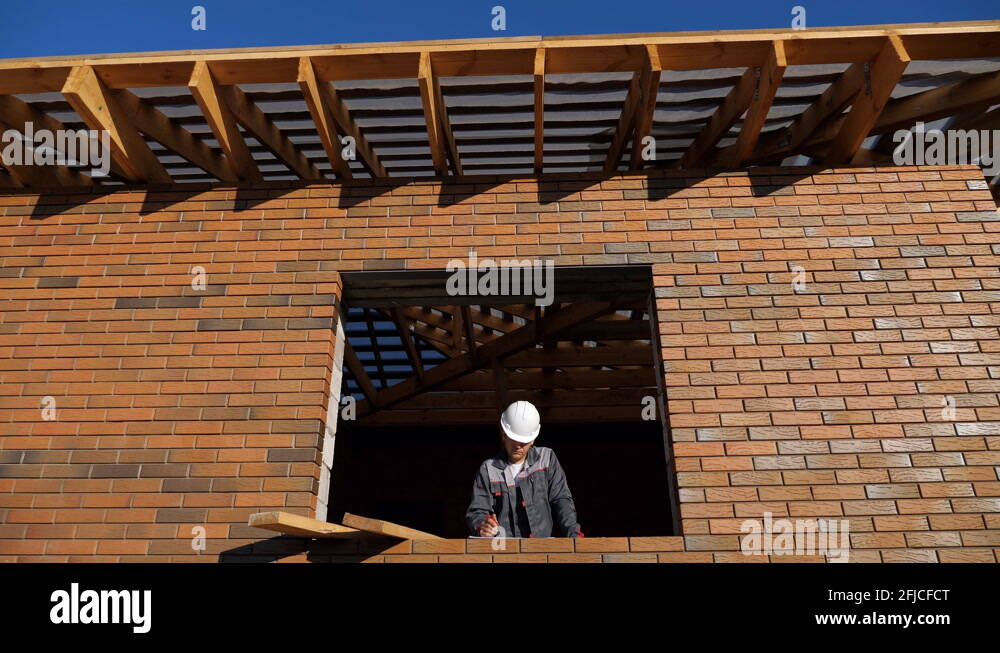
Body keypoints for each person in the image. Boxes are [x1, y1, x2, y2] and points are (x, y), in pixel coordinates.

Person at [465, 400, 583, 539]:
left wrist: (574, 534)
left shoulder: (546, 459)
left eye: (524, 442)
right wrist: (482, 526)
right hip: (504, 552)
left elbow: (561, 499)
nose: (518, 446)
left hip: (541, 550)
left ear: (533, 439)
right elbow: (478, 511)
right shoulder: (489, 469)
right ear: (504, 435)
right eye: (514, 439)